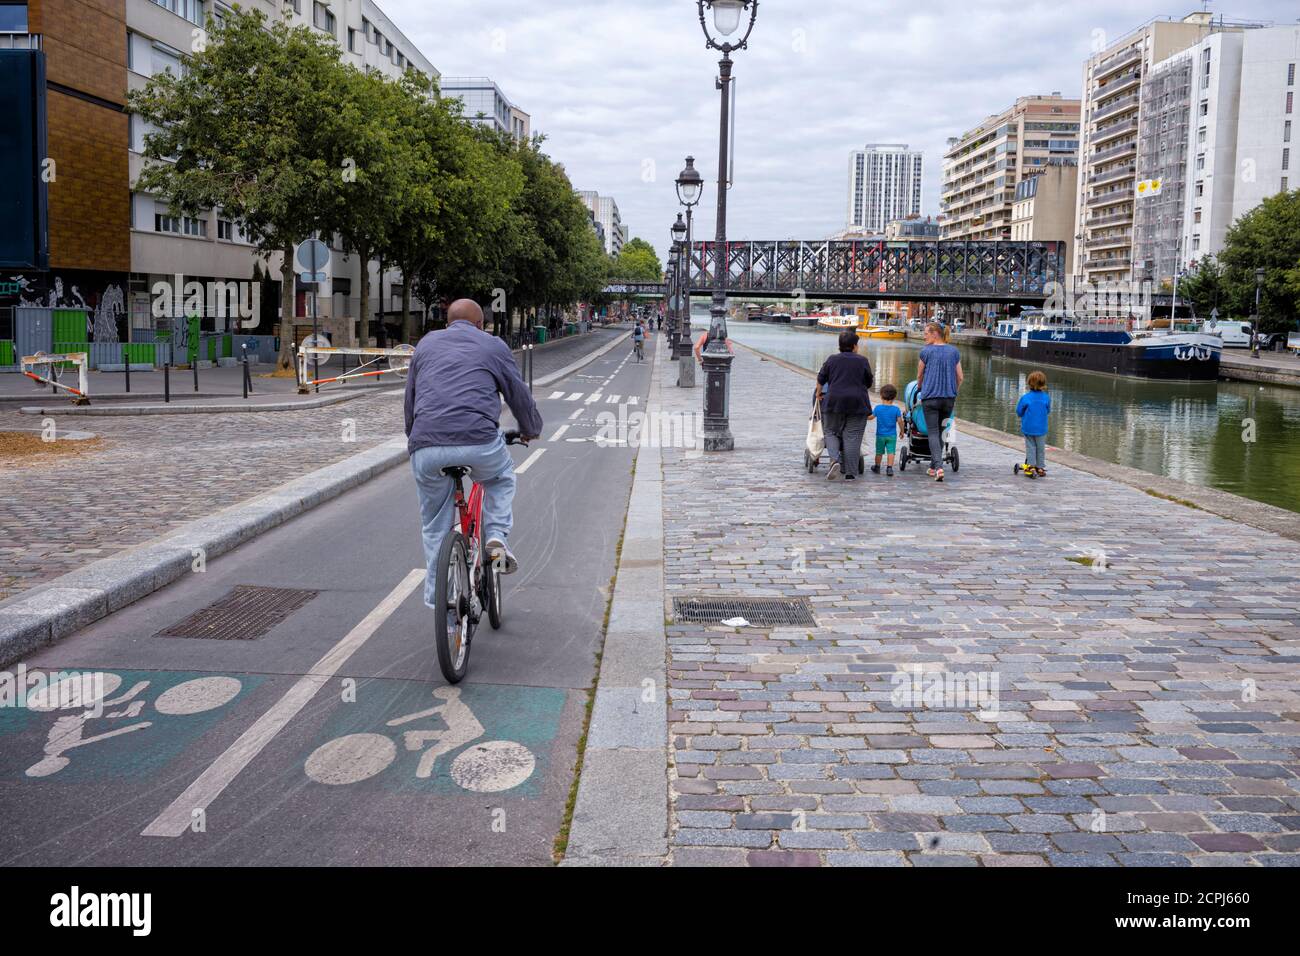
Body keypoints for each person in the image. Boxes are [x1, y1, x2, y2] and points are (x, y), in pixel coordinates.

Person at [404, 299, 542, 607]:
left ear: (446, 323)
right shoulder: (492, 345)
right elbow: (517, 393)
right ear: (481, 325)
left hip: (426, 445)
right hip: (479, 442)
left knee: (434, 524)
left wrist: (416, 440)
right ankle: (495, 538)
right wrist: (530, 428)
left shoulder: (425, 345)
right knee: (501, 479)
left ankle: (439, 600)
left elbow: (410, 399)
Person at [815, 330, 874, 481]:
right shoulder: (862, 361)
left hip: (834, 401)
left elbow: (821, 379)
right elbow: (868, 382)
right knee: (853, 436)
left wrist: (818, 394)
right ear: (854, 346)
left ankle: (834, 459)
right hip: (857, 403)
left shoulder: (832, 360)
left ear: (839, 346)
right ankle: (850, 472)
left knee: (831, 431)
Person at [915, 321, 963, 482]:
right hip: (948, 398)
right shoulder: (954, 351)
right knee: (942, 431)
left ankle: (938, 466)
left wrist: (920, 388)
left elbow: (920, 375)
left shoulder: (926, 351)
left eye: (926, 333)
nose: (924, 336)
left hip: (930, 397)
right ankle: (935, 466)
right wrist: (953, 390)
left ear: (935, 334)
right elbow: (960, 377)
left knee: (933, 433)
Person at [1016, 370, 1052, 479]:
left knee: (1031, 446)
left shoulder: (1025, 397)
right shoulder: (1046, 397)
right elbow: (1048, 410)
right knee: (1040, 448)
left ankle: (1031, 466)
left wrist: (1023, 414)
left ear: (1029, 383)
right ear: (1043, 384)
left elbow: (1019, 411)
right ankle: (1040, 467)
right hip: (1041, 428)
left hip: (1028, 427)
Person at [867, 383, 904, 477]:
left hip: (880, 435)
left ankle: (877, 467)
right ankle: (889, 468)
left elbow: (871, 417)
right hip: (892, 435)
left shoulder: (878, 408)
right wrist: (902, 431)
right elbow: (900, 421)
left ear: (881, 396)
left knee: (879, 452)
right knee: (891, 452)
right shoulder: (896, 409)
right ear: (894, 397)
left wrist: (863, 416)